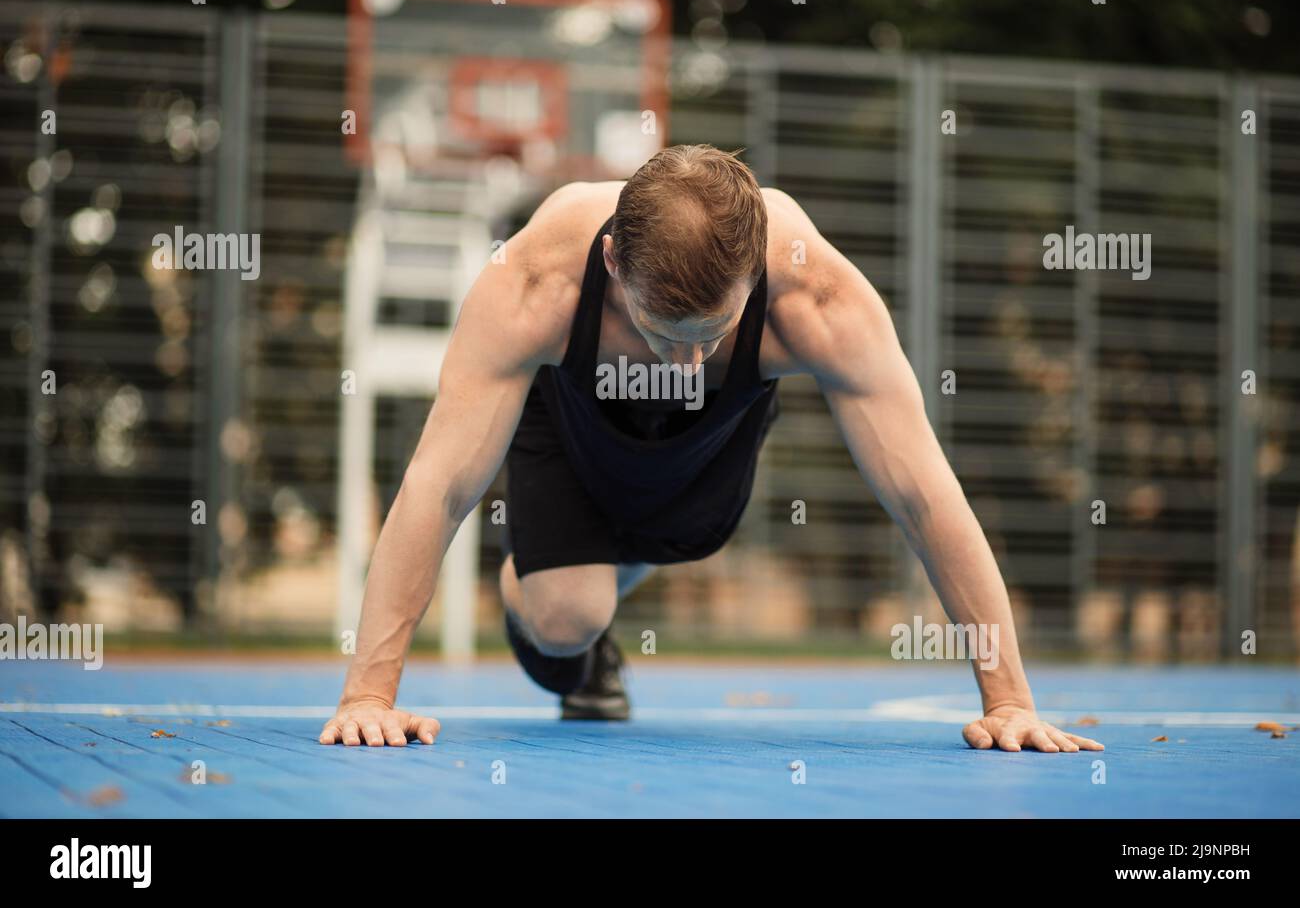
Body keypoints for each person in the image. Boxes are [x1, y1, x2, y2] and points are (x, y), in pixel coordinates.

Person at [319, 144, 1104, 755]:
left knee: (688, 533)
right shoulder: (534, 281)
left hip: (705, 466)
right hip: (568, 423)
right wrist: (369, 695)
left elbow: (924, 493)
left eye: (714, 336)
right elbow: (439, 484)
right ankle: (552, 598)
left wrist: (1009, 702)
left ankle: (631, 541)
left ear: (754, 271)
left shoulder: (815, 296)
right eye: (667, 335)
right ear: (612, 263)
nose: (688, 369)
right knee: (567, 618)